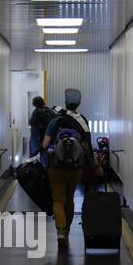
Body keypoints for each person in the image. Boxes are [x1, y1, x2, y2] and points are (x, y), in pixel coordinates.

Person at [40, 88, 93, 251]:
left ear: (65, 102)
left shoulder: (56, 120)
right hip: (75, 168)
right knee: (69, 200)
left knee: (58, 200)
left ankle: (61, 233)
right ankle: (67, 231)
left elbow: (45, 144)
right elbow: (88, 146)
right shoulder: (82, 120)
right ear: (78, 103)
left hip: (56, 167)